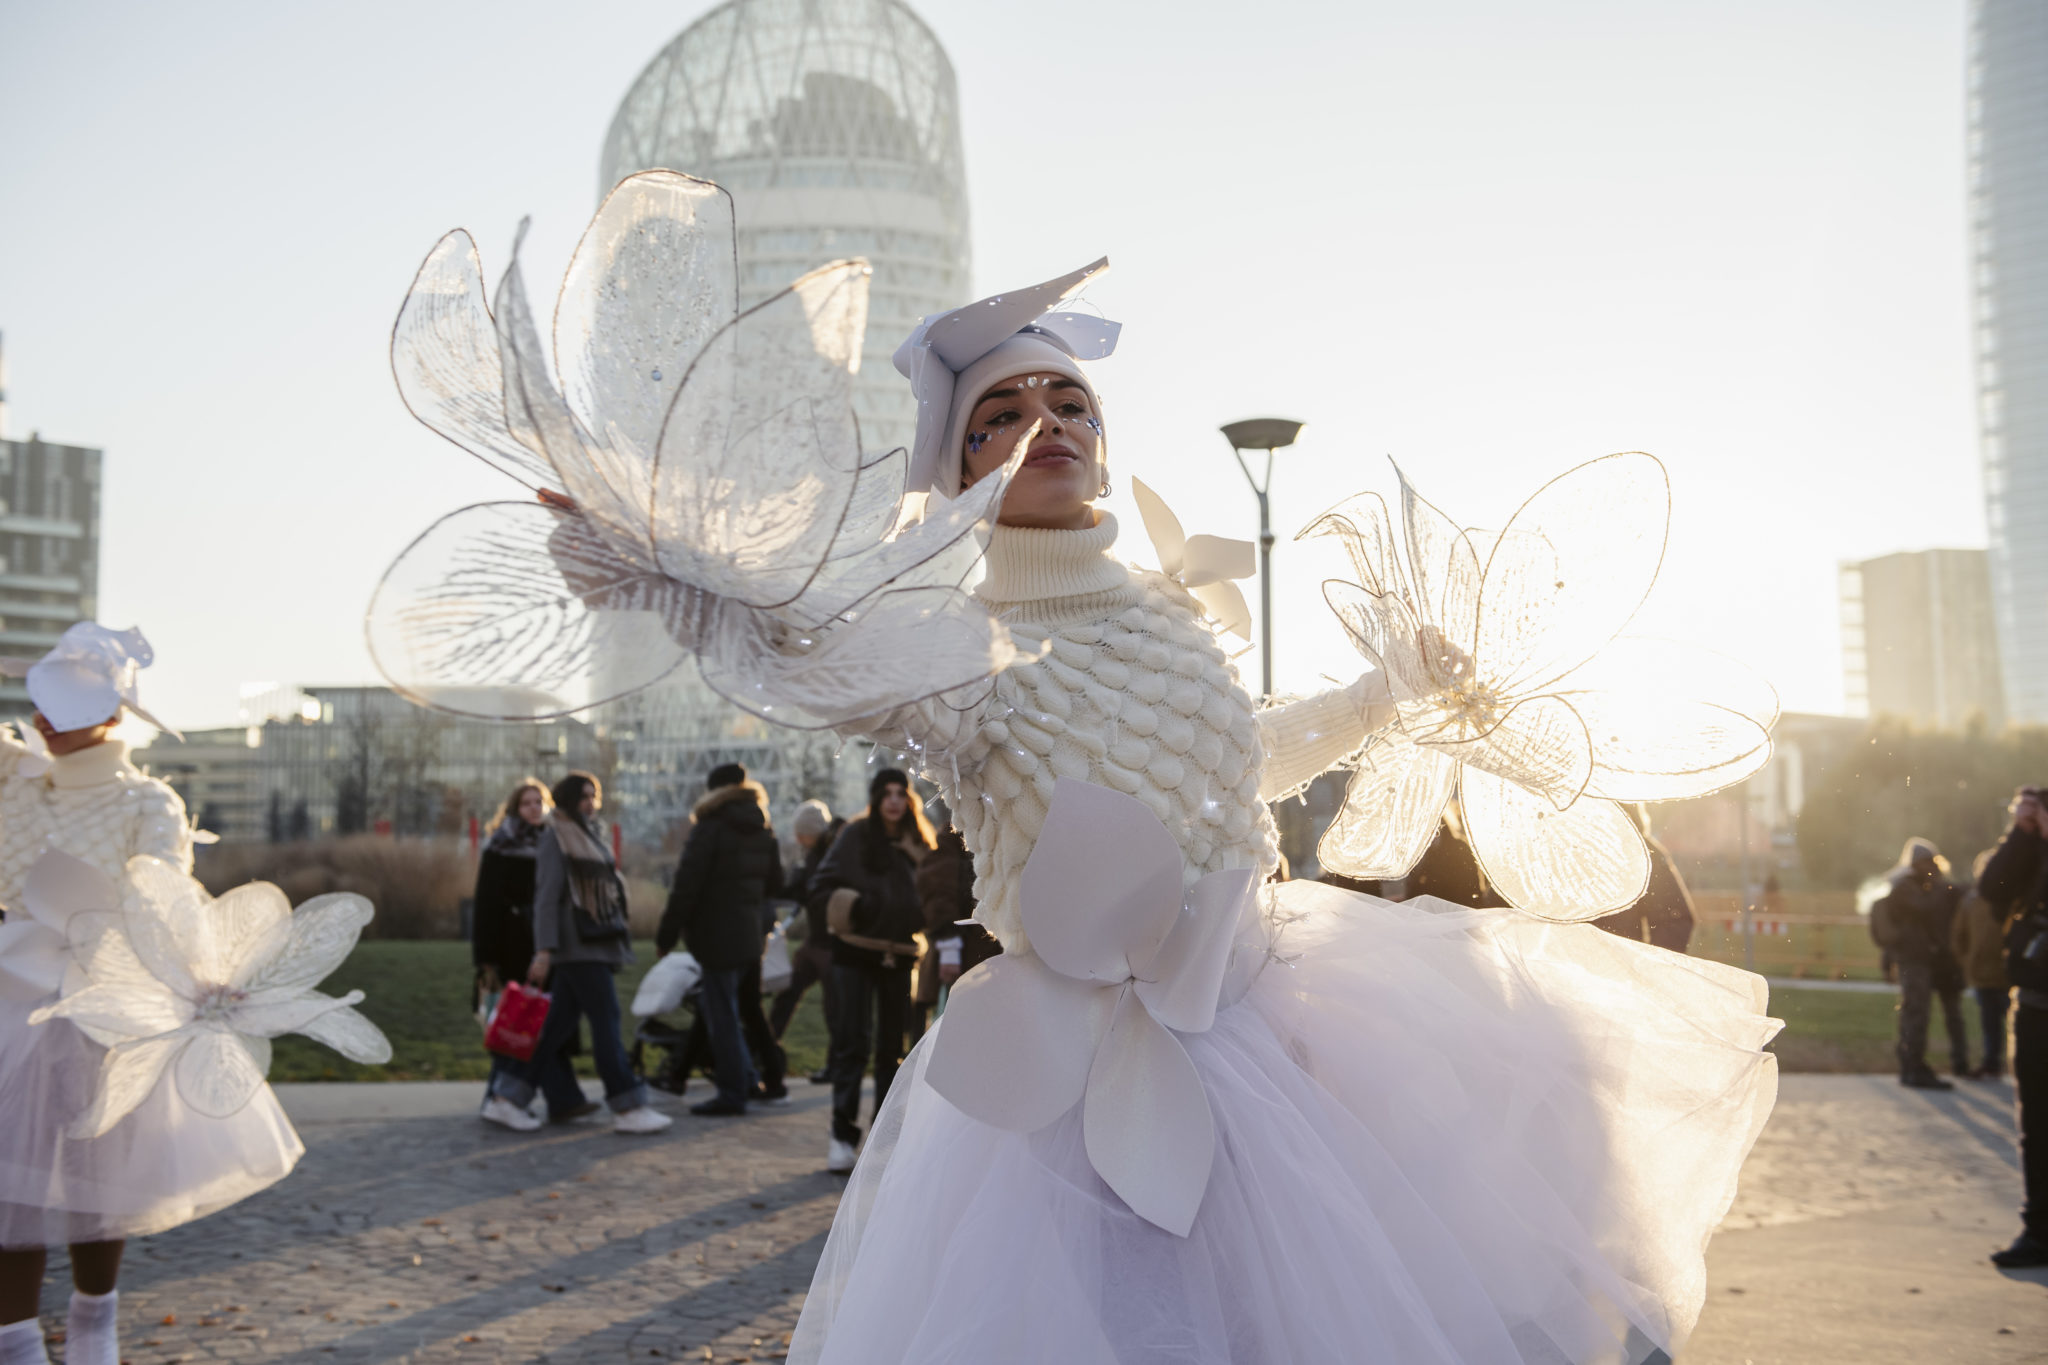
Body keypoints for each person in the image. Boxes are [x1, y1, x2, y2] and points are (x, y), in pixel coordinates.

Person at [372, 204, 1781, 1363]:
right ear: (959, 461)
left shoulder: (1167, 611)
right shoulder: (946, 646)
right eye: (1002, 412)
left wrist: (1379, 696)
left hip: (1286, 1028)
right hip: (1078, 1085)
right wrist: (655, 569)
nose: (1047, 420)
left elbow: (1234, 763)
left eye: (1069, 398)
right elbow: (787, 656)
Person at [0, 628, 241, 1365]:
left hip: (101, 1001)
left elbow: (166, 892)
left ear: (113, 713)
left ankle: (92, 1320)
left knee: (92, 1170)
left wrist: (195, 967)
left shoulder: (147, 800)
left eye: (67, 703)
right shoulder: (13, 781)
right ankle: (12, 1336)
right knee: (9, 1177)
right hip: (9, 998)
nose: (45, 719)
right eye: (42, 699)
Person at [488, 772, 671, 1136]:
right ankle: (628, 1105)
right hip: (577, 946)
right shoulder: (556, 837)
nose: (591, 802)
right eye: (584, 796)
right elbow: (546, 897)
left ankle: (507, 1100)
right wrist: (544, 950)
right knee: (607, 1021)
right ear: (569, 799)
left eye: (595, 795)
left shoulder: (590, 834)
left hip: (595, 942)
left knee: (555, 1028)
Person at [811, 769, 932, 1174]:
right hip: (856, 954)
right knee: (852, 1045)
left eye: (902, 792)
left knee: (891, 1053)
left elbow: (937, 890)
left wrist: (925, 915)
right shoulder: (855, 836)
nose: (894, 800)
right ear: (876, 797)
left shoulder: (919, 840)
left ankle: (884, 1143)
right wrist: (854, 906)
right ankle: (841, 1137)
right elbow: (821, 885)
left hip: (899, 956)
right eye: (887, 793)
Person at [657, 763, 786, 1116]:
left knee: (722, 1017)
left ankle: (732, 1093)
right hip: (748, 934)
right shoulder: (763, 827)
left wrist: (666, 934)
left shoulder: (710, 826)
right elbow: (775, 883)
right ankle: (754, 1079)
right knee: (742, 1010)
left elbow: (686, 884)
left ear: (713, 790)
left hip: (715, 935)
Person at [471, 778, 594, 1131]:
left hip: (545, 943)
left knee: (543, 1021)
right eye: (526, 803)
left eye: (538, 801)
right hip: (511, 945)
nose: (534, 808)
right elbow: (486, 906)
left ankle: (557, 1099)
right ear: (514, 808)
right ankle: (522, 1097)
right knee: (520, 1020)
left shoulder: (554, 842)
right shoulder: (501, 846)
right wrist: (485, 959)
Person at [1975, 786, 2048, 1268]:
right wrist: (2021, 836)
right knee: (2038, 1124)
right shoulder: (2033, 845)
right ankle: (2039, 1231)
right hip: (2037, 1001)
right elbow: (1993, 890)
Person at [1873, 837, 1969, 1089]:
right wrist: (1939, 888)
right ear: (1919, 863)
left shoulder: (1915, 886)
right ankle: (1913, 1066)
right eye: (1930, 863)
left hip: (1917, 959)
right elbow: (1923, 910)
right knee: (1915, 1012)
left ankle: (1912, 1065)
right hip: (1912, 960)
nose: (1934, 868)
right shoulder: (1906, 888)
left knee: (1914, 1012)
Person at [906, 807, 996, 1046]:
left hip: (995, 956)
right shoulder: (955, 837)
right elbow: (939, 893)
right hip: (966, 953)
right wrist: (949, 947)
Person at [769, 800, 843, 1084]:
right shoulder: (811, 856)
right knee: (788, 989)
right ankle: (765, 1046)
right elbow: (802, 891)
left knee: (834, 1007)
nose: (798, 838)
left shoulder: (833, 855)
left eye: (802, 833)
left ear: (813, 832)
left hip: (830, 944)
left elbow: (821, 893)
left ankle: (836, 1065)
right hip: (815, 942)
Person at [1954, 848, 2011, 1080]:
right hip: (1981, 971)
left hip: (2008, 971)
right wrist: (1966, 961)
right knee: (1989, 1022)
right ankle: (1991, 1063)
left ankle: (2025, 1066)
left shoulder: (2010, 899)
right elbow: (1959, 935)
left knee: (2017, 1022)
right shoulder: (1970, 900)